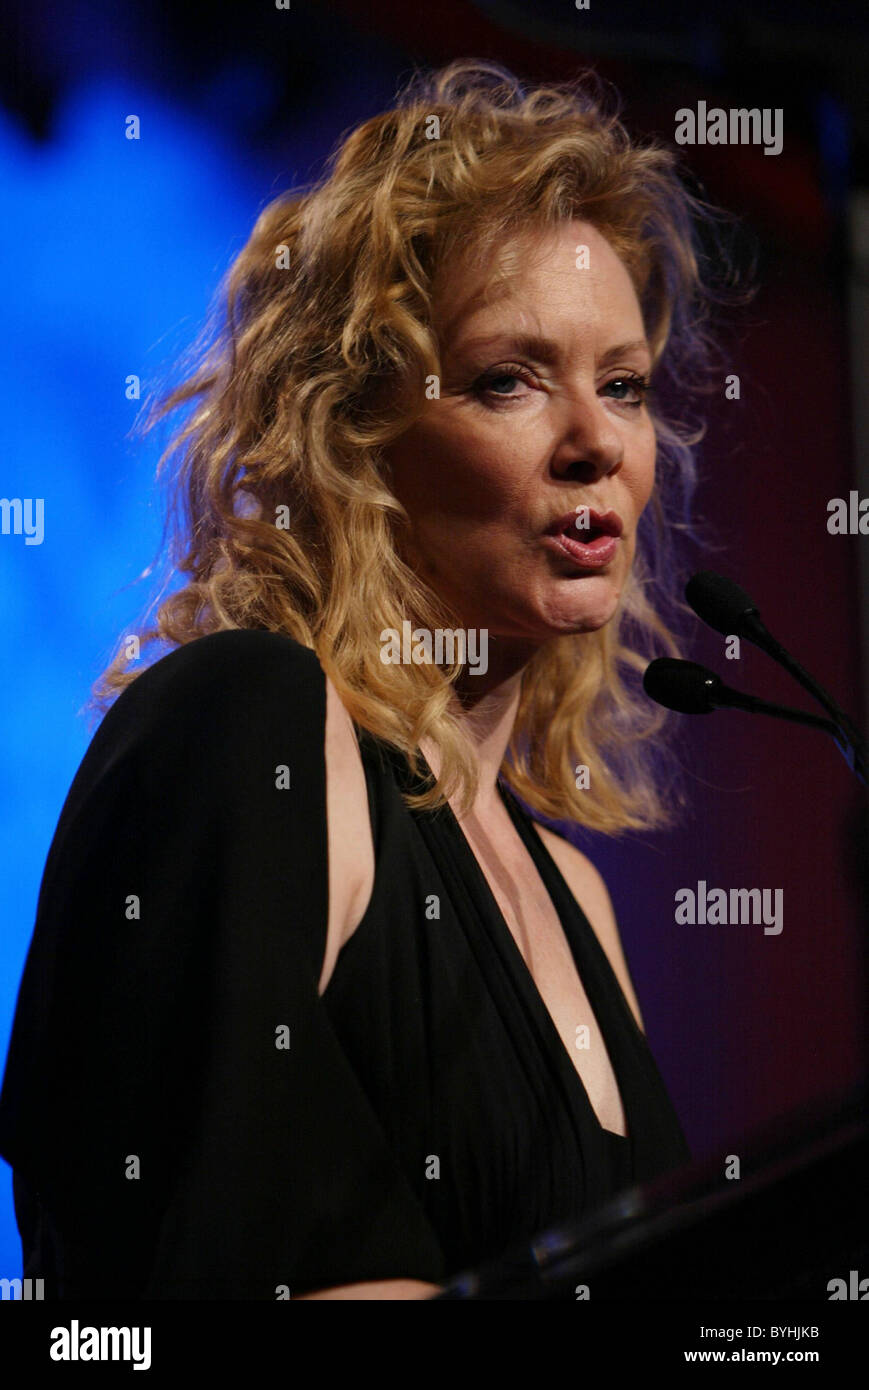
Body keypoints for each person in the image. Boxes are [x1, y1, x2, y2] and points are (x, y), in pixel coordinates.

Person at [0, 58, 736, 1299]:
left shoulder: (577, 901)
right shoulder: (244, 727)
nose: (597, 440)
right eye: (508, 378)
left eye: (621, 385)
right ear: (352, 434)